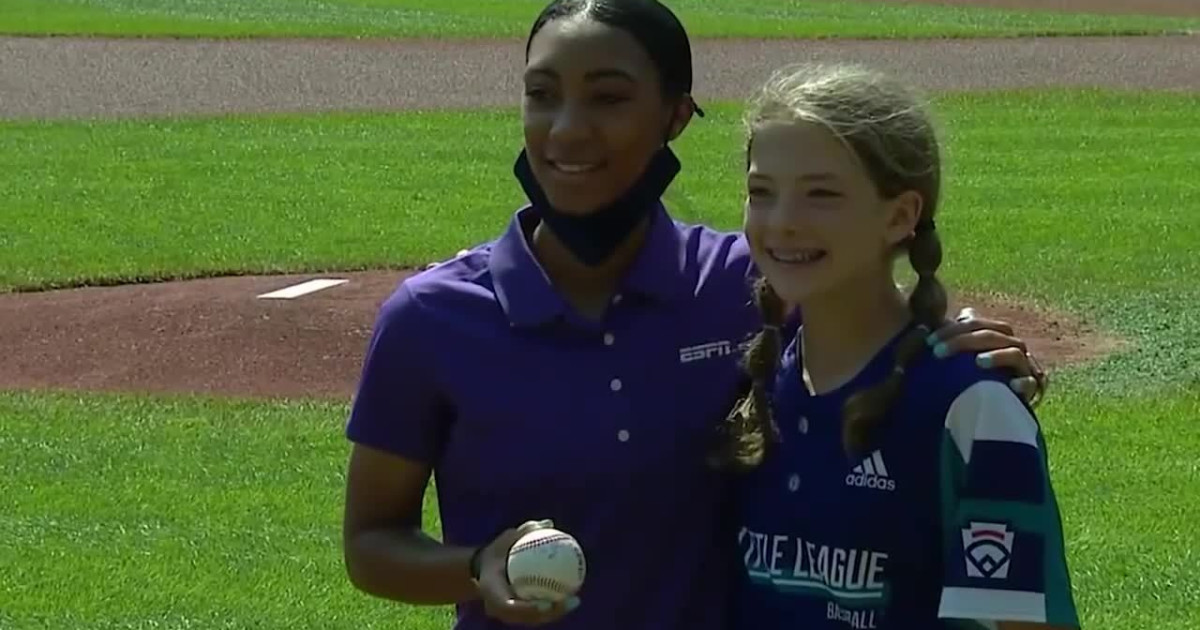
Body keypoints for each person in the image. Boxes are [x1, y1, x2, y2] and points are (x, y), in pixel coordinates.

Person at [340, 1, 1046, 629]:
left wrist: (954, 347)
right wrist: (475, 567)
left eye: (608, 98)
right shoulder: (431, 318)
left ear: (676, 115)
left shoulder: (744, 283)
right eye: (541, 95)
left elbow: (863, 305)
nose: (567, 129)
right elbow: (371, 542)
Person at [719, 63, 1078, 629]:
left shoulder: (970, 407)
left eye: (822, 194)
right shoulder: (756, 383)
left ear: (900, 216)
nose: (782, 221)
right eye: (761, 192)